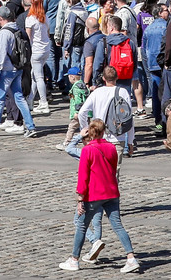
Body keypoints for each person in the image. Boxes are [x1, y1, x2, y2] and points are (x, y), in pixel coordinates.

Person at [61, 117, 141, 274]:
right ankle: (131, 257)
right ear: (104, 131)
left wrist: (79, 198)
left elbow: (83, 176)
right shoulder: (111, 147)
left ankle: (74, 259)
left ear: (90, 132)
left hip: (94, 194)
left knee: (82, 225)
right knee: (117, 225)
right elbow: (112, 167)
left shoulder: (87, 150)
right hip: (112, 191)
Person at [0, 6, 38, 138]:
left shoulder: (4, 32)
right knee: (19, 98)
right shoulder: (17, 28)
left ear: (0, 18)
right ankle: (30, 126)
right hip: (18, 68)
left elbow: (2, 53)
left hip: (6, 70)